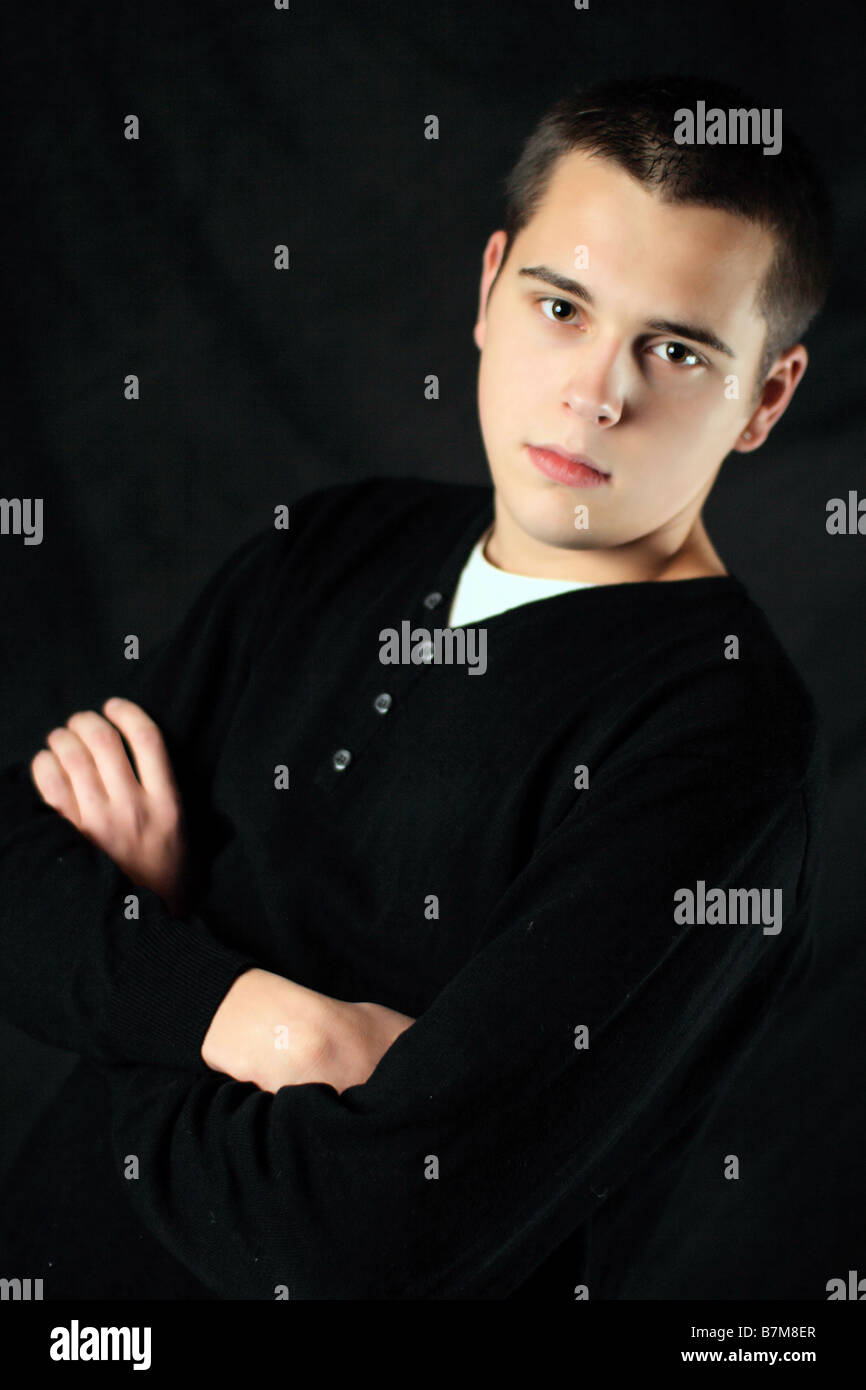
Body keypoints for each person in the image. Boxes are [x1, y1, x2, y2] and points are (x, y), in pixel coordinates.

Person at [0, 73, 833, 1299]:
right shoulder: (330, 545)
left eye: (673, 348)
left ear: (763, 398)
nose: (597, 391)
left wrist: (137, 962)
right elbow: (14, 881)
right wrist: (274, 1025)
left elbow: (379, 1233)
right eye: (561, 307)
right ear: (489, 286)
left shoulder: (717, 741)